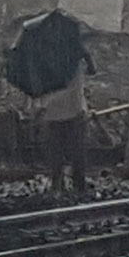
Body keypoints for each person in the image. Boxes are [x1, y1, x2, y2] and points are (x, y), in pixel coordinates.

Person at [41, 47, 96, 195]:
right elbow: (91, 68)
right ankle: (73, 185)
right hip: (68, 112)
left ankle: (61, 185)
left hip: (62, 112)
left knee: (59, 153)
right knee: (74, 152)